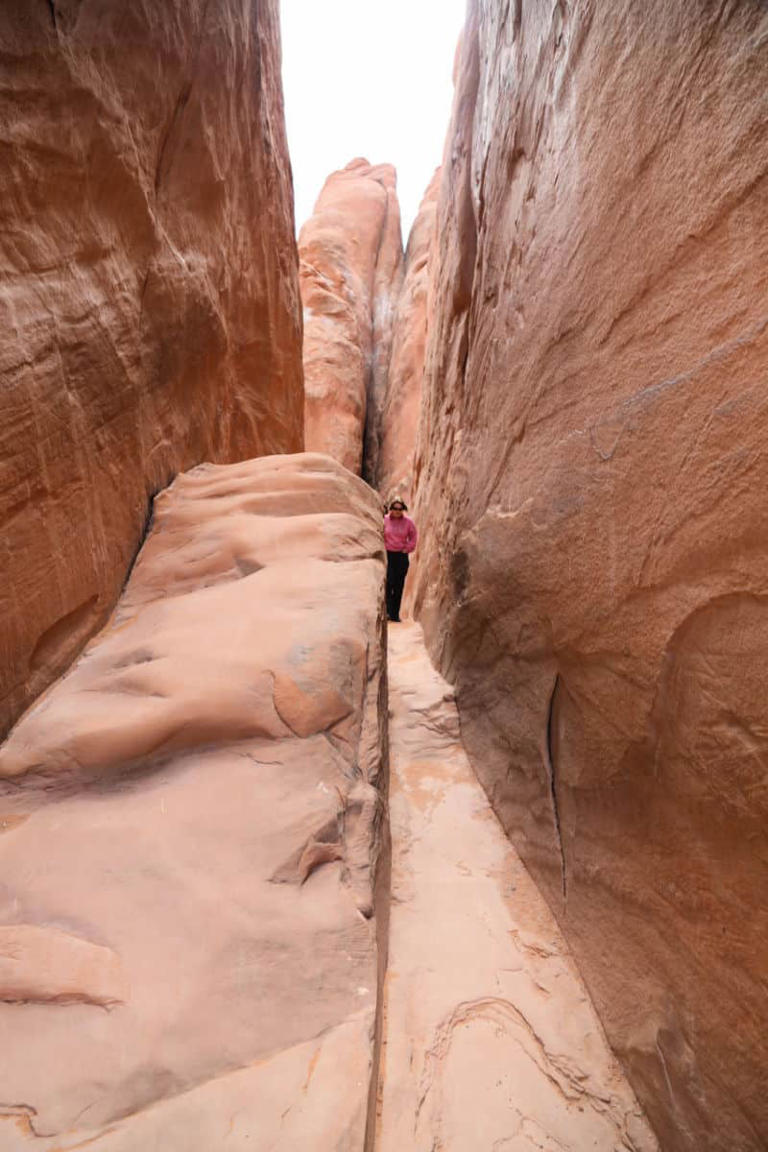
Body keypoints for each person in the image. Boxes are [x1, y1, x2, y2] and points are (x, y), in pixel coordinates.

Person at [384, 498, 417, 623]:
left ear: (403, 509)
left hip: (401, 556)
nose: (397, 511)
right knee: (389, 583)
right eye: (395, 509)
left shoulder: (408, 522)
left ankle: (394, 614)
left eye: (400, 509)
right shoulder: (385, 520)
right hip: (388, 555)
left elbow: (413, 536)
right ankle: (387, 612)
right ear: (391, 509)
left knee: (399, 585)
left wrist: (408, 548)